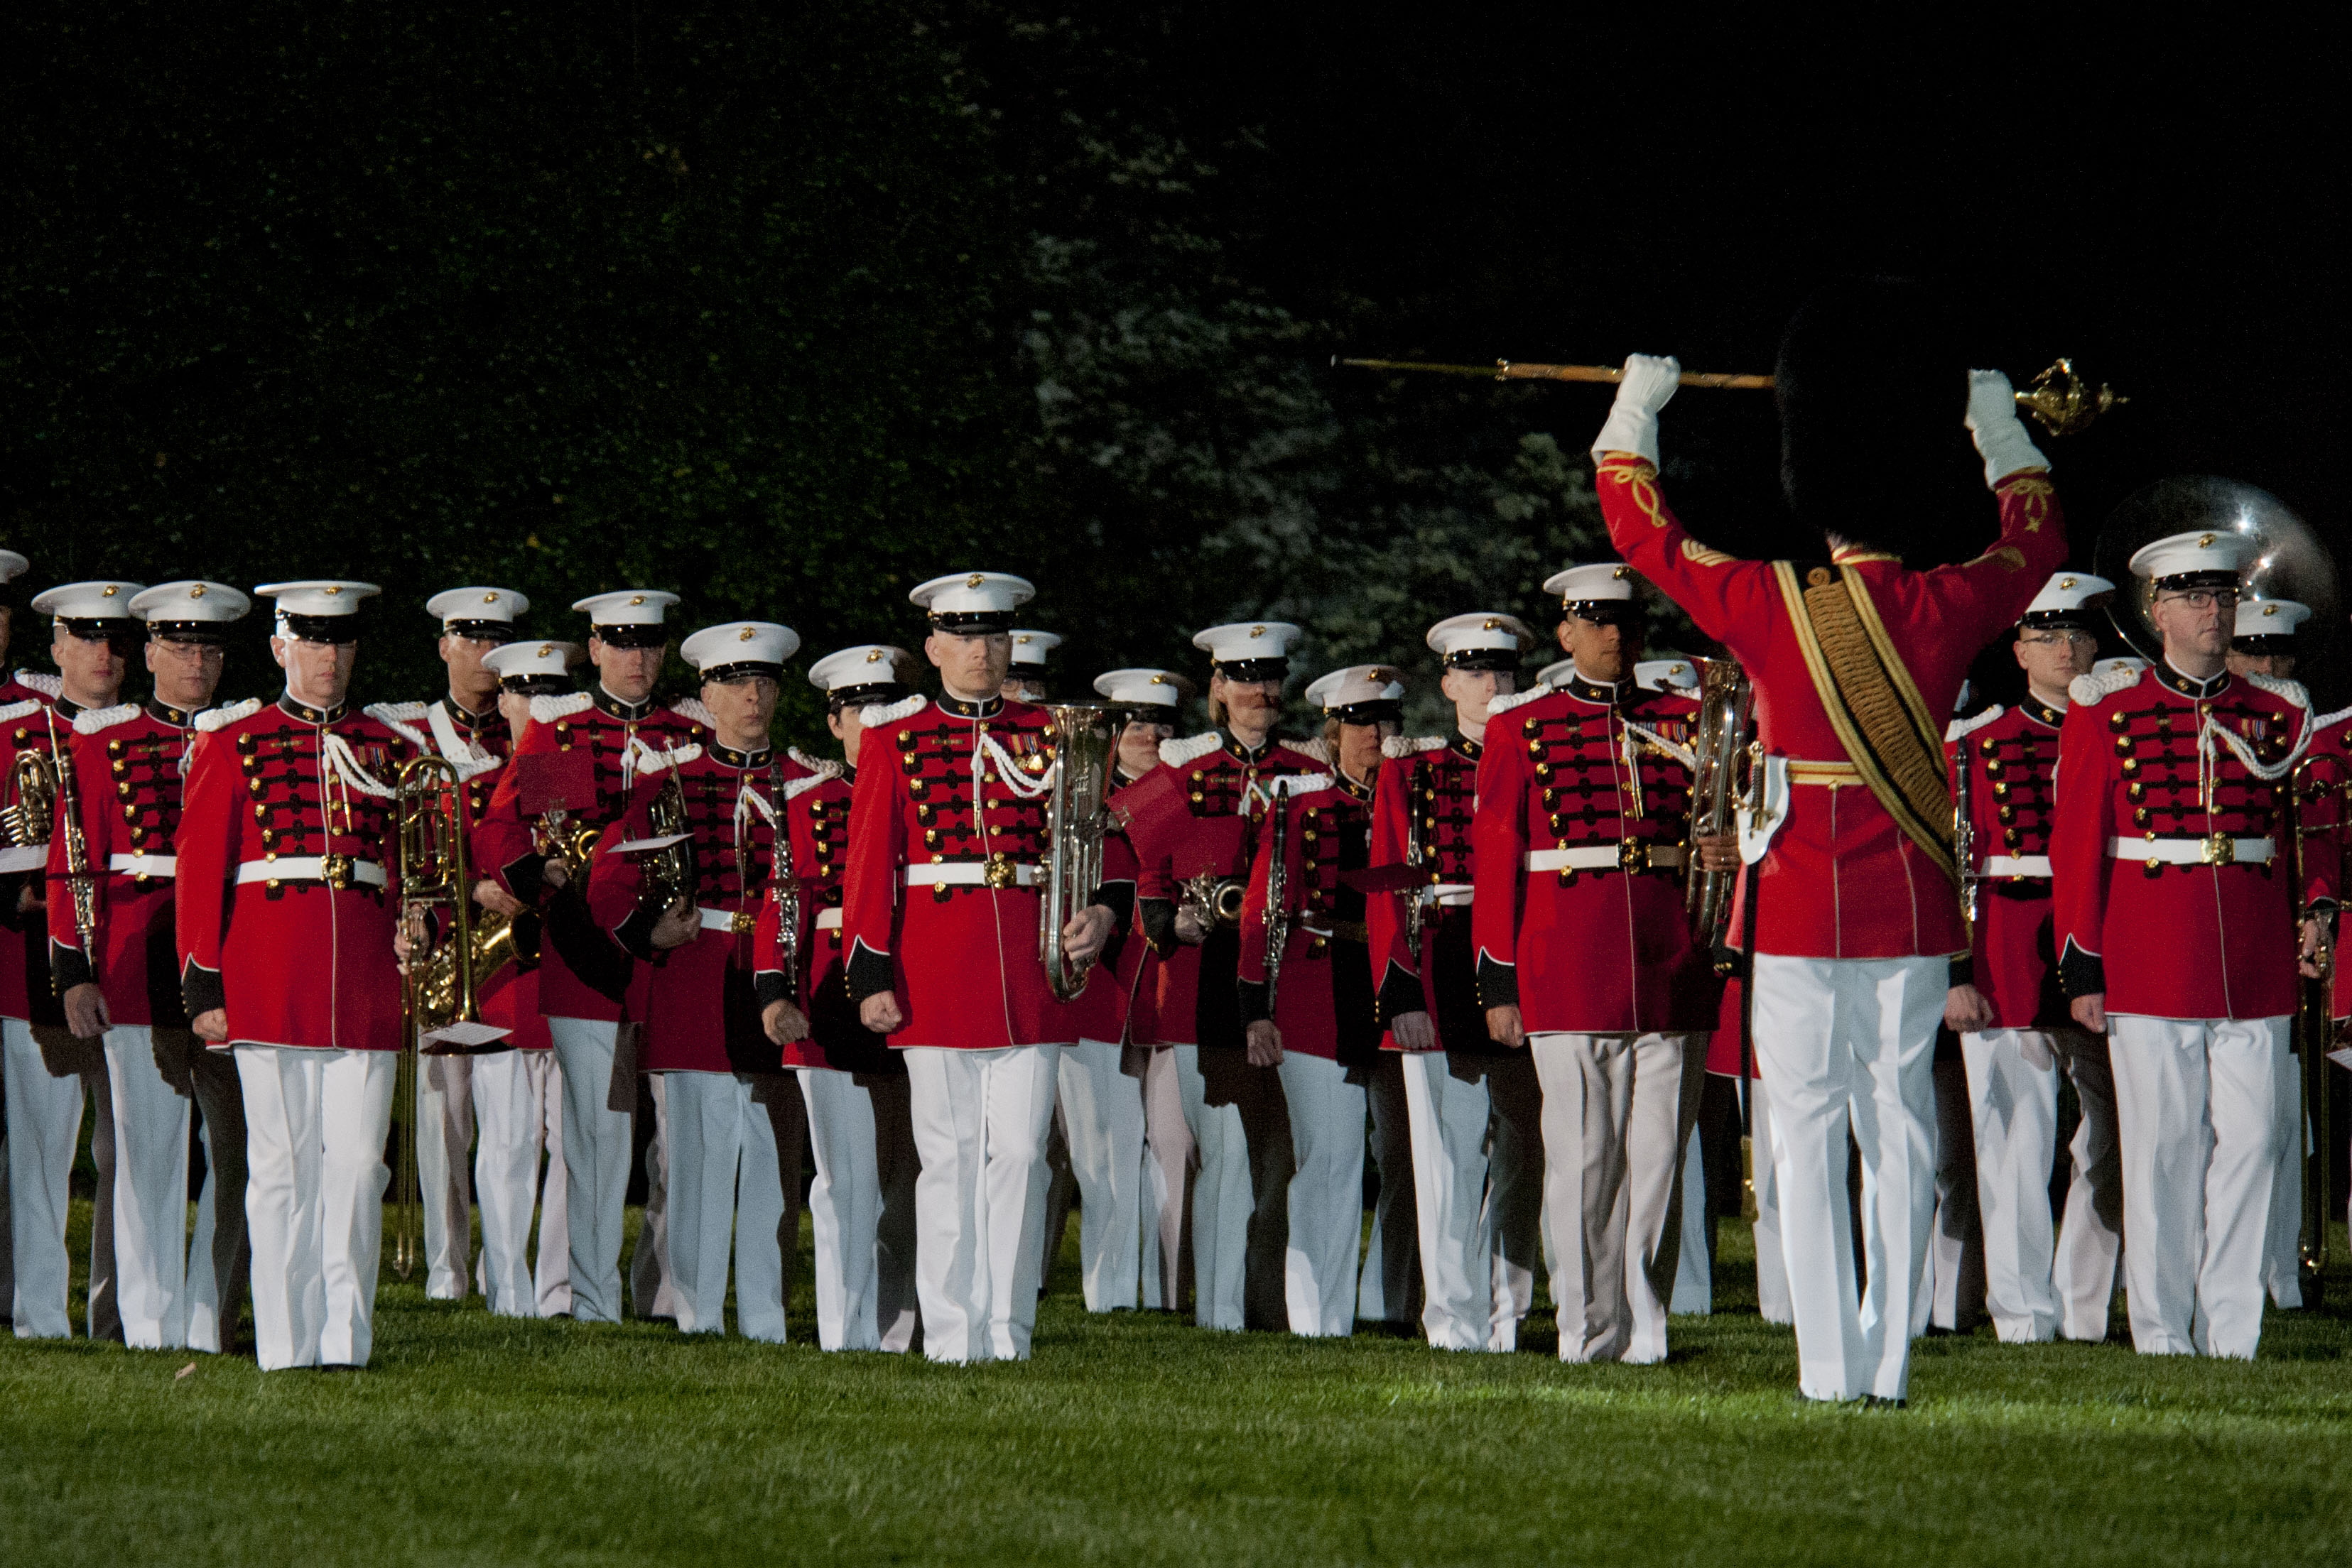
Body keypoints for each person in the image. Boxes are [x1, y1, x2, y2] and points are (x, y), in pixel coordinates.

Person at [1589, 300, 2067, 1402]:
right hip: (1906, 898)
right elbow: (2036, 538)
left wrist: (1632, 415)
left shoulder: (1770, 600)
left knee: (1801, 1134)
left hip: (1797, 896)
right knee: (1897, 1126)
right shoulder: (1948, 600)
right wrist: (1995, 429)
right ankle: (1884, 1365)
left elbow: (1641, 536)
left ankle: (1826, 1368)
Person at [2052, 530, 2331, 1359]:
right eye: (2194, 597)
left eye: (2222, 597)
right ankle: (2161, 1327)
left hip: (2251, 956)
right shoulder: (2107, 710)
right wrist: (2081, 960)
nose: (2213, 612)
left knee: (2254, 1142)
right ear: (2157, 612)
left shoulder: (2278, 714)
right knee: (2161, 1147)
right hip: (2150, 950)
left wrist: (2313, 913)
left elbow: (2306, 830)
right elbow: (2076, 843)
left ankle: (2231, 1328)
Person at [839, 571, 1120, 1363]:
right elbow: (868, 866)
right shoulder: (893, 739)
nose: (980, 651)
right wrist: (869, 974)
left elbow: (1106, 838)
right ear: (932, 647)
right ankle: (952, 1336)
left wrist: (1104, 912)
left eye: (994, 636)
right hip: (934, 966)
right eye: (963, 637)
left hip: (1033, 964)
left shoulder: (1054, 734)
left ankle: (1008, 1331)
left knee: (1024, 1155)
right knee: (949, 1157)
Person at [175, 579, 419, 1370]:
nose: (327, 657)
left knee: (359, 1168)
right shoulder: (232, 742)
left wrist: (426, 927)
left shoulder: (394, 749)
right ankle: (284, 1343)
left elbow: (418, 868)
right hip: (269, 973)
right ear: (281, 647)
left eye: (339, 641)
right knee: (279, 1167)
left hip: (366, 978)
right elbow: (199, 872)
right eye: (312, 640)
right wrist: (203, 983)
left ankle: (344, 1341)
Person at [1471, 567, 1712, 1363]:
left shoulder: (1688, 721)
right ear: (1567, 633)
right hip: (1566, 959)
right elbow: (1496, 860)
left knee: (1659, 1161)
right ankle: (1586, 1330)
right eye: (1598, 622)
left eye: (1627, 622)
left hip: (1670, 958)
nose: (1615, 635)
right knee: (1582, 1157)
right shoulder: (1520, 727)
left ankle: (1645, 1331)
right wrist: (1497, 978)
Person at [475, 589, 705, 1324]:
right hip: (585, 952)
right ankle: (593, 1300)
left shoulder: (689, 732)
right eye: (622, 643)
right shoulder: (566, 731)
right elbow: (504, 828)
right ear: (596, 649)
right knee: (597, 1134)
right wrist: (541, 875)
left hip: (678, 958)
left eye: (649, 644)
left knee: (681, 1136)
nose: (637, 658)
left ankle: (669, 1294)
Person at [43, 581, 246, 1352]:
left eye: (209, 648)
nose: (196, 662)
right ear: (150, 654)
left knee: (240, 1158)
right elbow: (73, 862)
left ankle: (211, 1318)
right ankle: (148, 1325)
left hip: (232, 959)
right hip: (137, 963)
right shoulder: (105, 742)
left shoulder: (246, 739)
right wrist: (74, 973)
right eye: (180, 646)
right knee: (146, 1155)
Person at [592, 621, 806, 1341]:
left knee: (773, 1159)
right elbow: (607, 881)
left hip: (782, 973)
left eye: (764, 683)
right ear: (706, 696)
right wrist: (647, 933)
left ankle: (766, 1316)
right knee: (694, 1160)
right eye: (735, 684)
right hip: (695, 975)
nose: (752, 697)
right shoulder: (669, 782)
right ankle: (696, 1310)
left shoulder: (806, 784)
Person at [1122, 621, 1323, 1332]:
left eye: (1269, 678)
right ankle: (1217, 1310)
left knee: (1285, 1154)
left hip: (1292, 983)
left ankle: (1273, 1303)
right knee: (1225, 1153)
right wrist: (1167, 921)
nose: (1259, 691)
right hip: (1199, 984)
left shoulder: (1311, 770)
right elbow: (1146, 877)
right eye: (1243, 678)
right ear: (1217, 687)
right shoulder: (1180, 771)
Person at [1941, 572, 2123, 1342]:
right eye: (2046, 636)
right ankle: (2020, 1312)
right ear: (2017, 650)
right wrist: (1954, 971)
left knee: (2115, 1133)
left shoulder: (2117, 729)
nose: (2065, 649)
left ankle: (2083, 1306)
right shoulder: (1972, 741)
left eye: (2077, 634)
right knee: (2012, 1137)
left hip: (2102, 937)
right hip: (2006, 944)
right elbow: (1949, 864)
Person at [1370, 612, 1544, 1351]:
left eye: (1503, 670)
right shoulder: (1408, 771)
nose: (1491, 683)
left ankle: (1508, 1315)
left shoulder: (1537, 758)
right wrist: (1399, 991)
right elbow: (1386, 884)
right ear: (1446, 684)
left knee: (1526, 1150)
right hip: (1438, 956)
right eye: (1474, 671)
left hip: (1523, 956)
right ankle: (1451, 1319)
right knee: (1446, 1153)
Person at [364, 585, 531, 1303]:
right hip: (437, 946)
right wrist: (458, 892)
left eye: (498, 642)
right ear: (444, 647)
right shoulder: (403, 732)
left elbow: (563, 837)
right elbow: (382, 841)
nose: (486, 655)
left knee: (514, 1129)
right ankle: (445, 1270)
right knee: (440, 1123)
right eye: (472, 640)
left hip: (516, 955)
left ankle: (510, 1275)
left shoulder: (537, 733)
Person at [759, 642, 921, 1352]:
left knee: (915, 1174)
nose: (871, 721)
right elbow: (780, 905)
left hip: (915, 989)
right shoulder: (806, 803)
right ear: (833, 723)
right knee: (845, 1178)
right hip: (828, 996)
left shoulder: (922, 788)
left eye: (884, 708)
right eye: (857, 709)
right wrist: (774, 993)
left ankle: (903, 1324)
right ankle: (844, 1330)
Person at [1232, 665, 1398, 1336]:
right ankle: (1317, 1319)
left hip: (1399, 988)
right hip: (1317, 988)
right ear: (1332, 734)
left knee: (1409, 1165)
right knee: (1327, 1159)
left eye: (1384, 721)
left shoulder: (1411, 803)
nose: (1374, 734)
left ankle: (1391, 1306)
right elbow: (1259, 910)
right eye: (1358, 722)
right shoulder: (1300, 806)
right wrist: (1255, 1009)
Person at [5, 577, 141, 1341]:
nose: (103, 653)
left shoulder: (149, 736)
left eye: (117, 640)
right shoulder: (19, 729)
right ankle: (38, 1315)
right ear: (56, 647)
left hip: (127, 964)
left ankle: (115, 1314)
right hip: (32, 966)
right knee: (42, 1151)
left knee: (127, 1149)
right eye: (86, 637)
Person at [467, 638, 582, 1319]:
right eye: (525, 694)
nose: (538, 707)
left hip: (562, 976)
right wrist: (477, 888)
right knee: (506, 1143)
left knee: (568, 1145)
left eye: (551, 695)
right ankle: (506, 1287)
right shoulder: (479, 776)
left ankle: (556, 1289)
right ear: (502, 699)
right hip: (502, 981)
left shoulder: (563, 768)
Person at [2225, 595, 2319, 1310]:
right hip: (2230, 932)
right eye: (2252, 651)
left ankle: (2281, 1272)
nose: (2268, 664)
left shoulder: (2307, 731)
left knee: (2282, 1117)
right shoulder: (2216, 726)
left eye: (2278, 653)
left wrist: (2314, 912)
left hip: (2286, 934)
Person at [1093, 667, 1196, 1312]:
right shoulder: (1080, 796)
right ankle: (1105, 1290)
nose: (1150, 734)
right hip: (1096, 987)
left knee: (1172, 1144)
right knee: (1098, 1147)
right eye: (1135, 722)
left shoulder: (1184, 793)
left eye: (1162, 723)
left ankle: (1167, 1287)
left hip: (1165, 984)